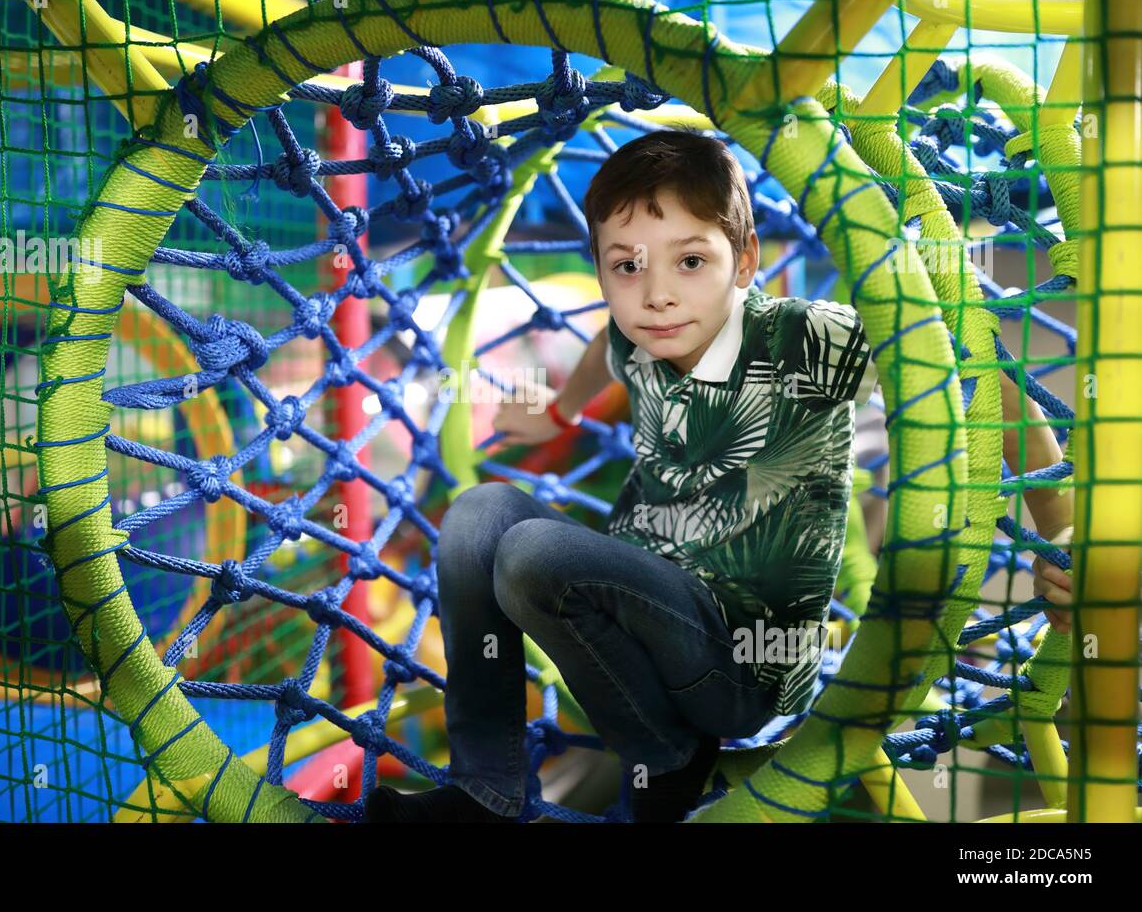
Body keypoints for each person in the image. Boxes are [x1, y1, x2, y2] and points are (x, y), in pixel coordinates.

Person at [363, 128, 1073, 824]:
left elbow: (988, 384)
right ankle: (484, 785)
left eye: (691, 261)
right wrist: (561, 415)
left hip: (743, 663)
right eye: (628, 267)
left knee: (529, 555)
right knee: (476, 515)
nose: (658, 296)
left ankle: (668, 760)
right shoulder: (633, 335)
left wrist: (1059, 527)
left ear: (744, 260)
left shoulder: (806, 339)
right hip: (648, 622)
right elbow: (601, 354)